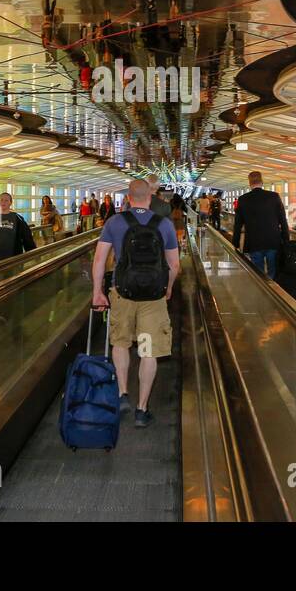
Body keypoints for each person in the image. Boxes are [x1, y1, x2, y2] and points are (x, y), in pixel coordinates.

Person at [91, 178, 180, 429]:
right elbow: (174, 265)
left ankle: (122, 393)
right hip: (153, 297)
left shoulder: (114, 222)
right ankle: (142, 409)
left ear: (128, 198)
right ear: (150, 198)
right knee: (147, 350)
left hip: (122, 293)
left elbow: (99, 260)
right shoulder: (163, 224)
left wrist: (98, 292)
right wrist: (168, 287)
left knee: (120, 342)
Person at [231, 171, 289, 279]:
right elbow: (283, 220)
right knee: (273, 270)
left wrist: (236, 242)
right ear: (262, 182)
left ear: (250, 183)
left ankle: (263, 291)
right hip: (273, 241)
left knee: (258, 273)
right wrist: (286, 239)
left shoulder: (243, 199)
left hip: (254, 242)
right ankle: (274, 290)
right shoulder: (274, 196)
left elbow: (238, 223)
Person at [0, 192, 37, 264]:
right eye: (1, 200)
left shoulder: (17, 218)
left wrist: (32, 252)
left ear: (10, 203)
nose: (3, 202)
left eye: (6, 200)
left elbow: (27, 236)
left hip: (13, 259)